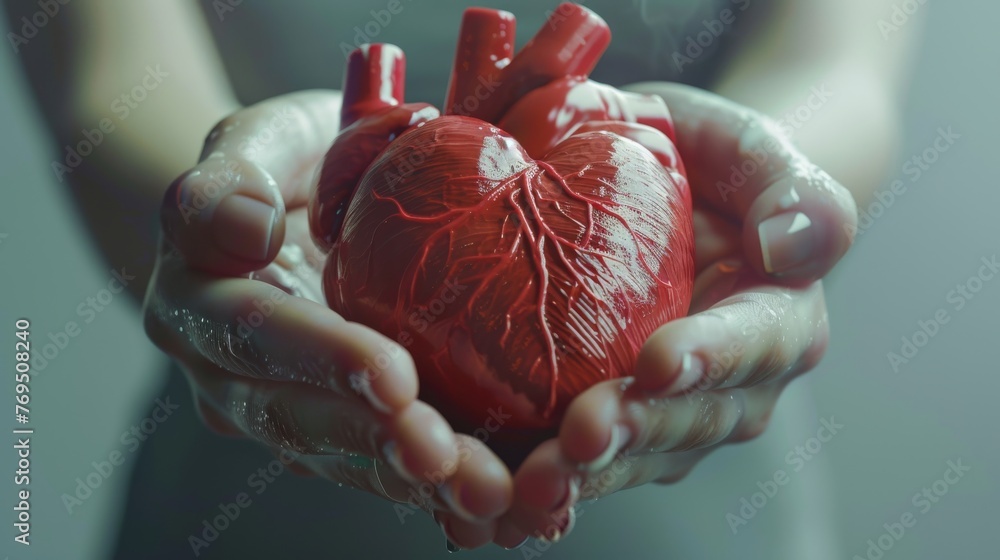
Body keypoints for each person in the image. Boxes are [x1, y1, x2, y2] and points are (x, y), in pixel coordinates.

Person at [5, 0, 919, 556]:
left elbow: (838, 69)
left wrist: (770, 188)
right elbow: (108, 80)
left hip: (697, 422)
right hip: (254, 464)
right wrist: (225, 205)